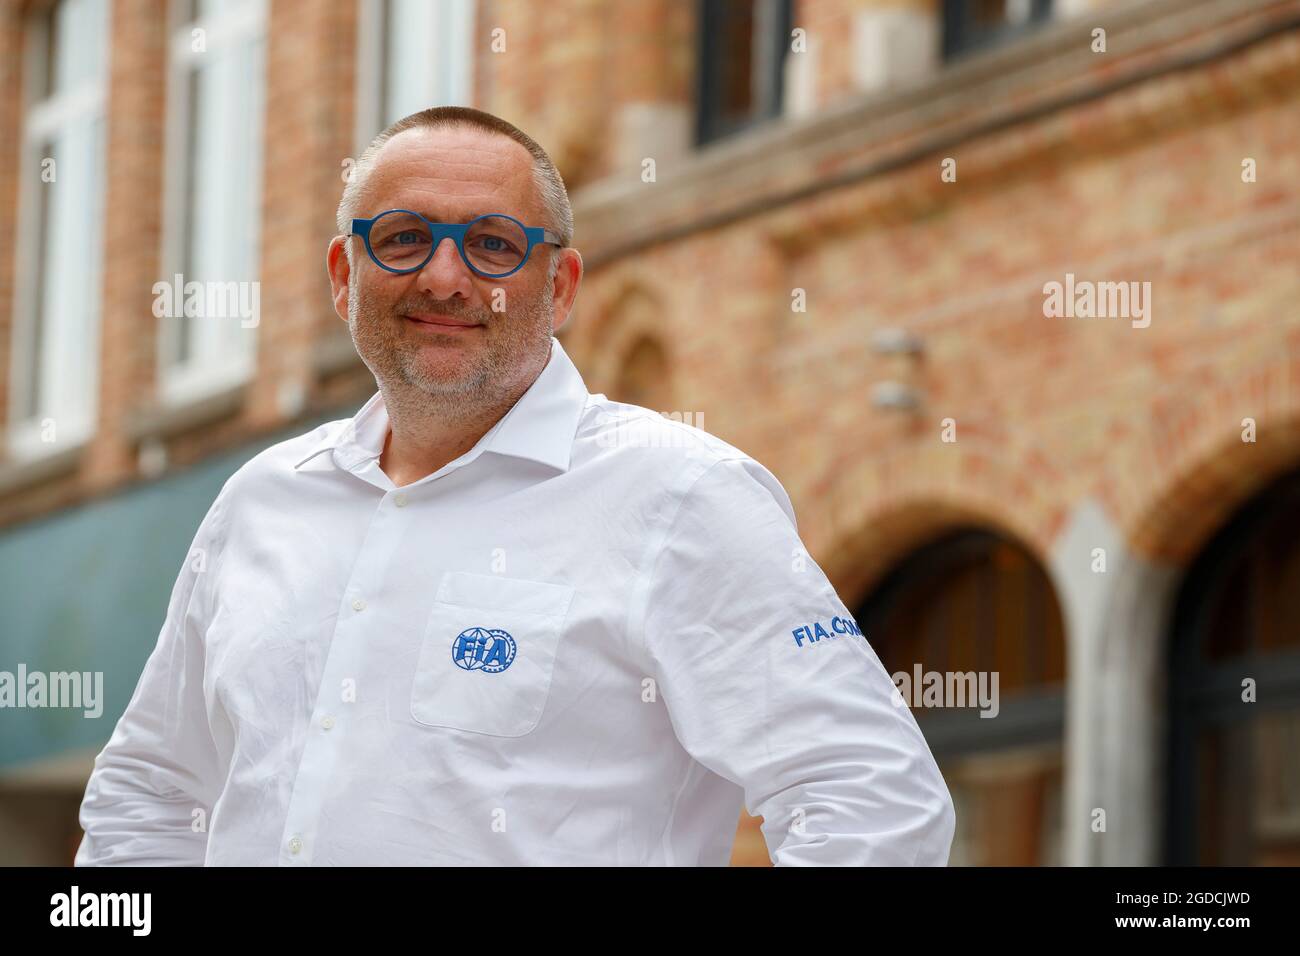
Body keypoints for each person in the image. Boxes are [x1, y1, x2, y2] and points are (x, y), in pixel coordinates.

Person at [74, 106, 955, 866]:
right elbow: (152, 792)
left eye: (494, 244)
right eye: (405, 237)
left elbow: (869, 795)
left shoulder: (681, 495)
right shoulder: (263, 501)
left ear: (559, 285)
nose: (446, 277)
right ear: (344, 276)